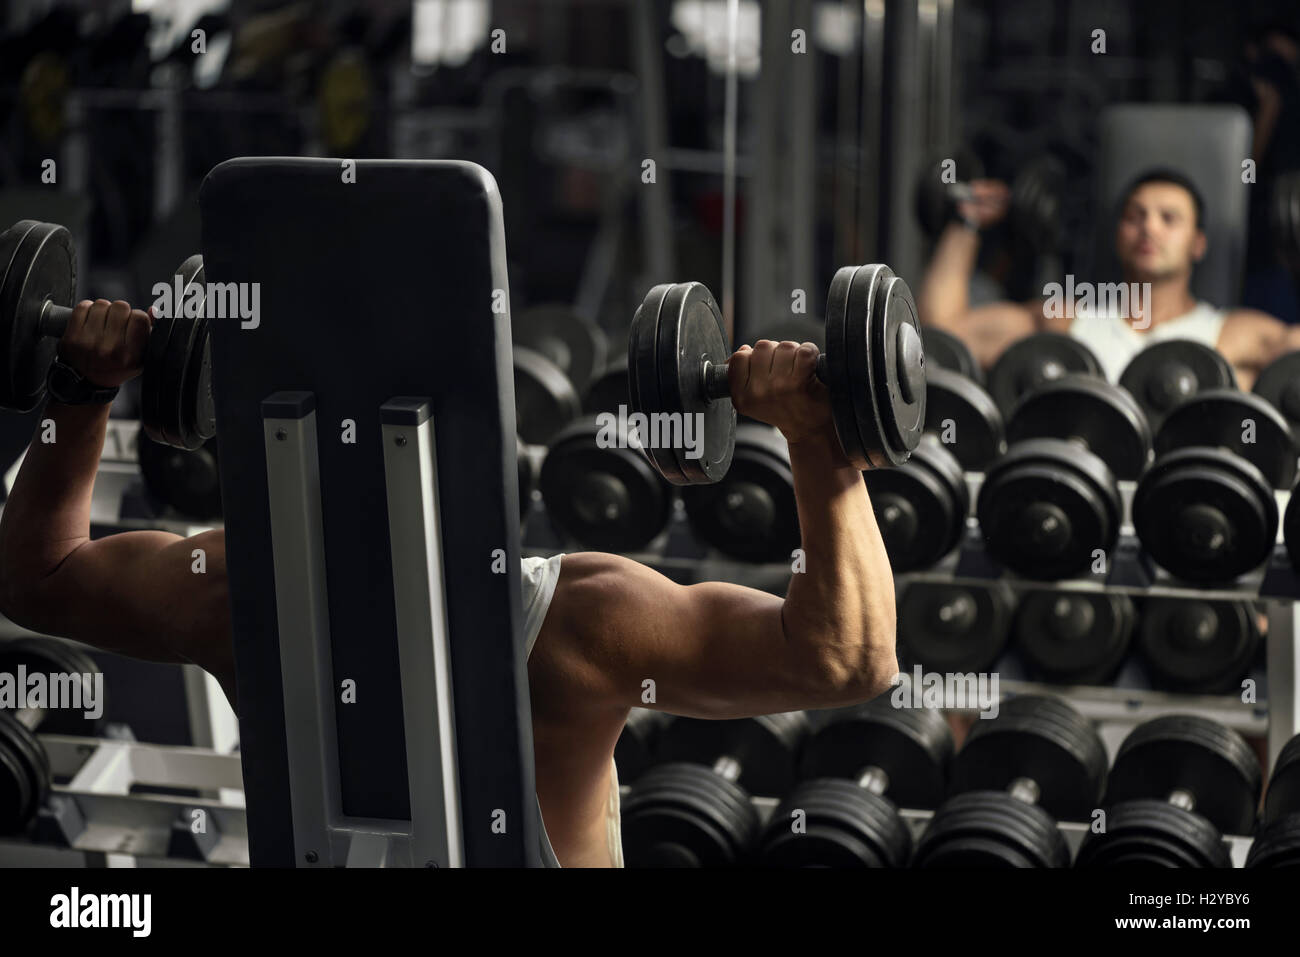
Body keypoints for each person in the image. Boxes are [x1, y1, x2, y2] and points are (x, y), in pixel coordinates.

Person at [0, 298, 899, 868]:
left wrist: (81, 389)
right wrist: (817, 441)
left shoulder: (236, 594)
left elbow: (38, 579)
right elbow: (847, 662)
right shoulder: (578, 625)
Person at [918, 167, 1300, 389]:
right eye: (1135, 216)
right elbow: (943, 337)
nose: (1149, 227)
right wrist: (965, 221)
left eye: (1169, 218)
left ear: (1197, 244)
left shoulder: (1235, 334)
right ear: (1118, 234)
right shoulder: (1064, 321)